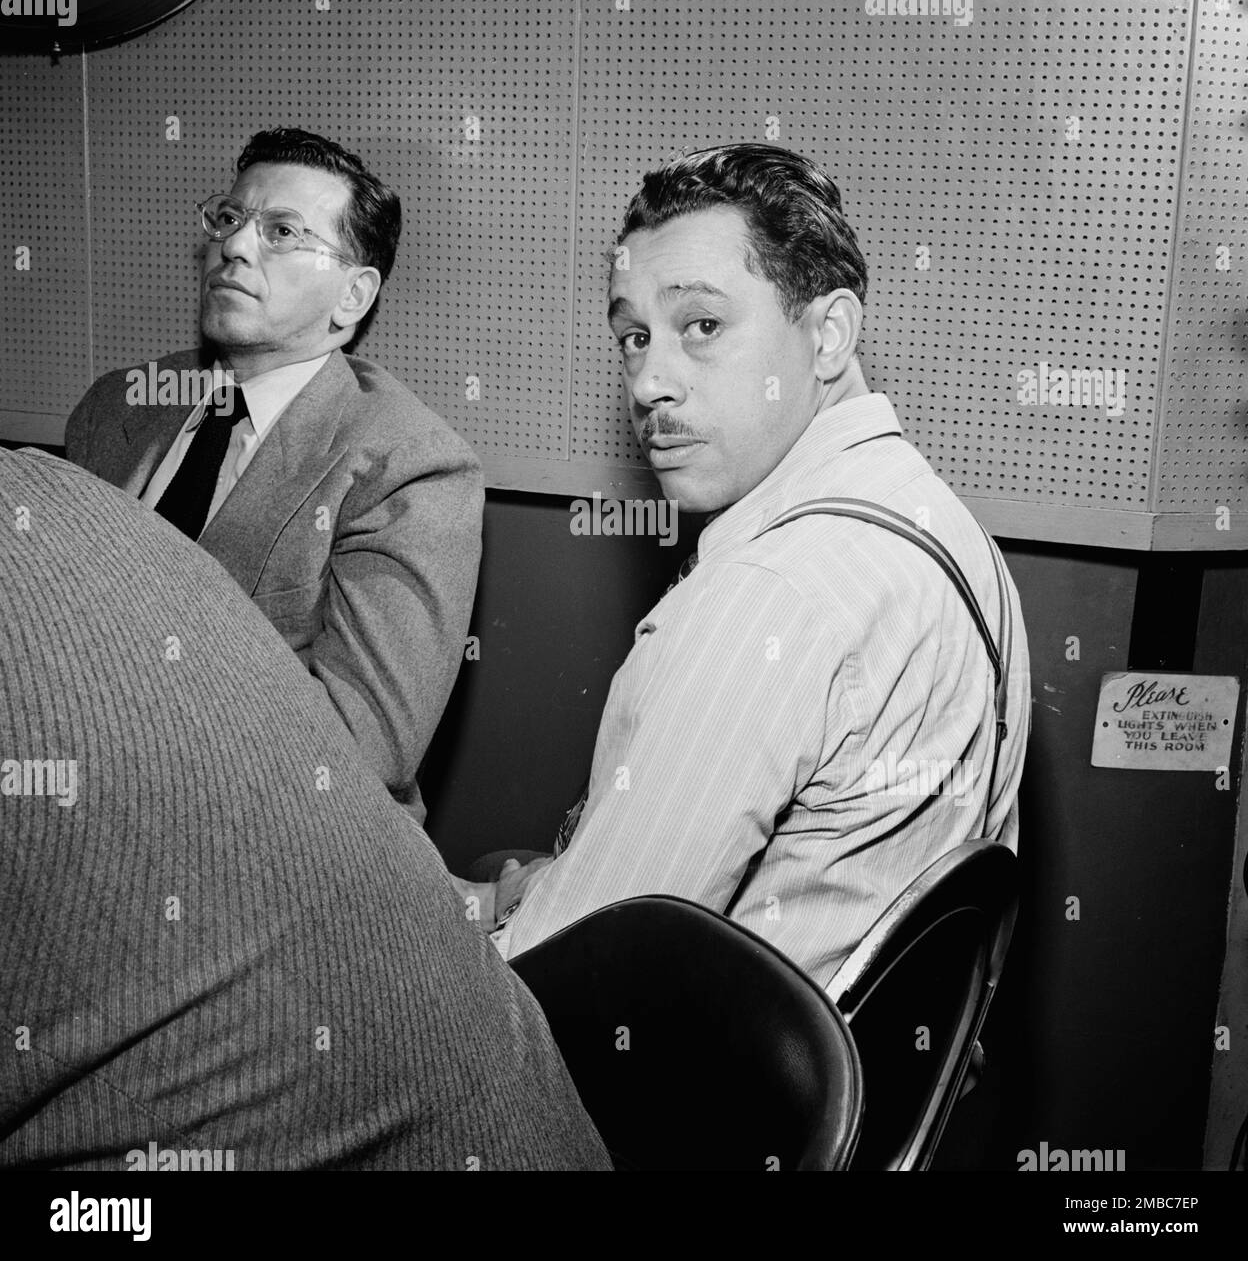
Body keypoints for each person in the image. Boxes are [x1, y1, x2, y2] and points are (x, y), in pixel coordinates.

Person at [477, 143, 1031, 988]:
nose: (650, 382)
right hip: (853, 1083)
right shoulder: (952, 535)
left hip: (701, 1103)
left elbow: (562, 991)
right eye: (634, 336)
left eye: (702, 325)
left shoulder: (769, 595)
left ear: (829, 335)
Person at [0, 446, 608, 1171]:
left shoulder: (408, 460)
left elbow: (355, 756)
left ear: (346, 319)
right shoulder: (97, 442)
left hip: (311, 946)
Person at [65, 128, 481, 820]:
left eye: (282, 231)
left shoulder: (410, 467)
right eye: (230, 219)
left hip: (281, 841)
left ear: (352, 296)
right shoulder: (116, 406)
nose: (234, 246)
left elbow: (364, 745)